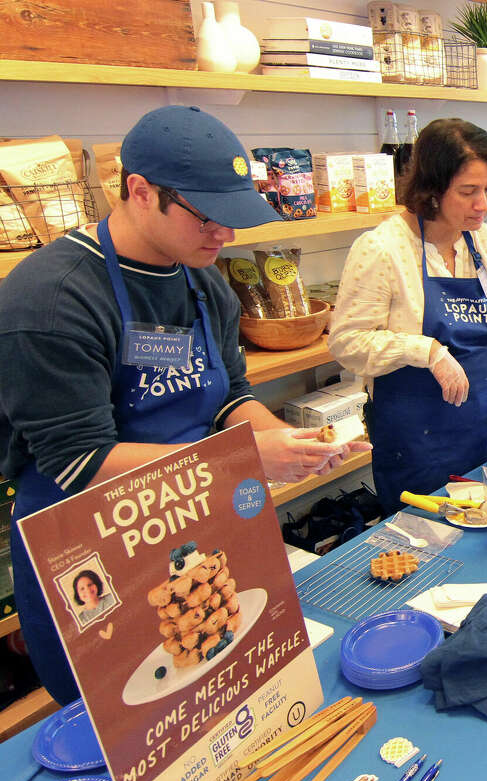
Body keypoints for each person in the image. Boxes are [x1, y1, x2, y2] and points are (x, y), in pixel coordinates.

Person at [0, 105, 366, 705]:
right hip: (89, 553)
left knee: (216, 702)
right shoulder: (52, 300)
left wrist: (279, 439)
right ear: (141, 192)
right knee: (122, 723)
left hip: (192, 526)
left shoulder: (203, 280)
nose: (224, 236)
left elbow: (229, 397)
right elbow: (79, 463)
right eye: (207, 217)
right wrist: (241, 460)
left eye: (233, 218)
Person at [329, 118, 487, 510]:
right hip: (412, 438)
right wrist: (428, 352)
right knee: (425, 534)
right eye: (468, 192)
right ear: (432, 189)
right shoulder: (382, 249)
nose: (483, 204)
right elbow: (347, 343)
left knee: (483, 519)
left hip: (478, 423)